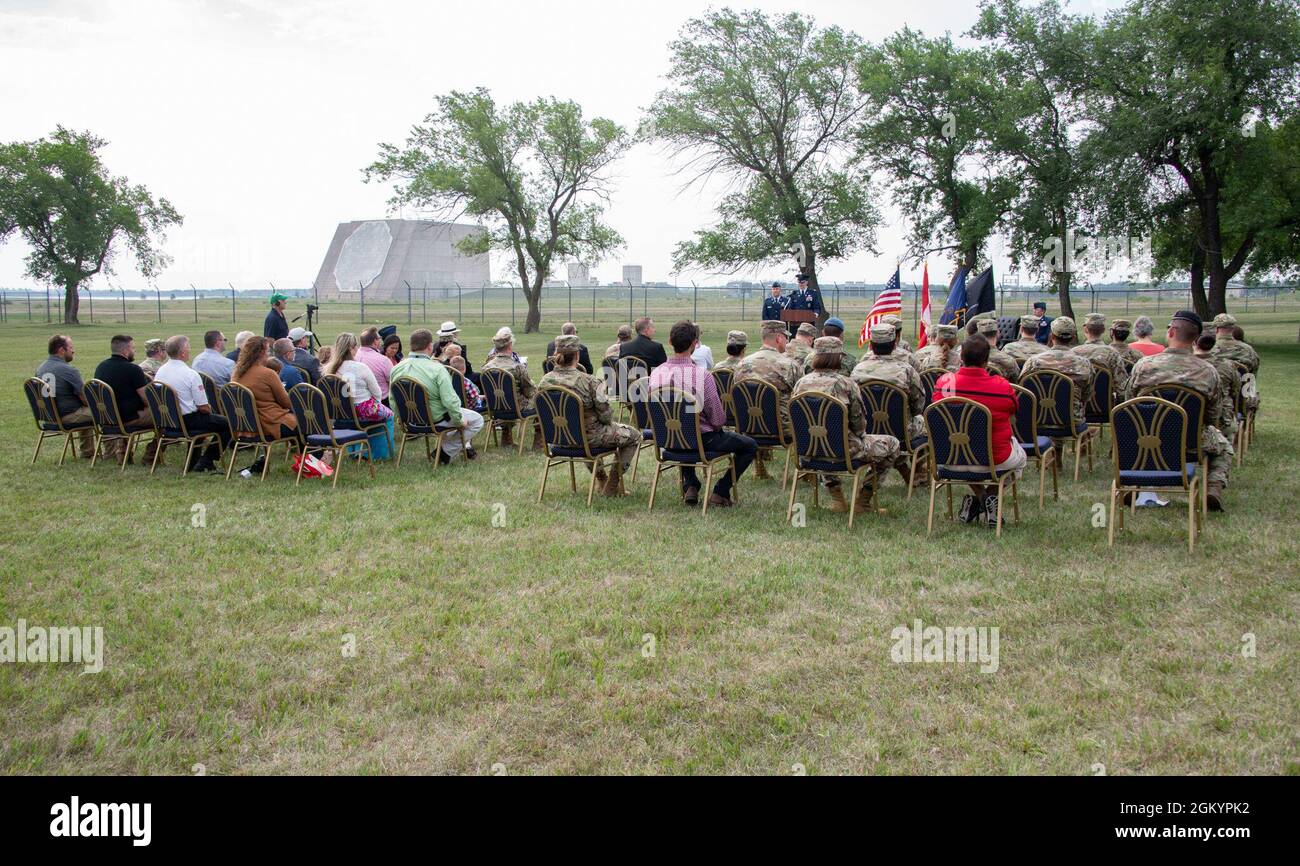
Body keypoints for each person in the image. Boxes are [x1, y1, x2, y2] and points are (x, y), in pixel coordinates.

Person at [1125, 310, 1234, 511]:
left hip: (1148, 441)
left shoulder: (1143, 366)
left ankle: (1135, 485)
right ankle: (1213, 488)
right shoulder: (1209, 372)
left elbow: (1128, 406)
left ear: (1172, 332)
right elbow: (1212, 417)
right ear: (1196, 338)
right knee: (1224, 446)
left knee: (1132, 429)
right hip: (1191, 444)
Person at [646, 321, 758, 507]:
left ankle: (691, 484)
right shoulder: (702, 375)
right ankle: (721, 490)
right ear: (694, 344)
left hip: (667, 440)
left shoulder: (657, 373)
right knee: (749, 445)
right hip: (702, 440)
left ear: (670, 341)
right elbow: (717, 419)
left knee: (683, 429)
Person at [793, 336, 901, 513]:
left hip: (808, 452)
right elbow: (858, 426)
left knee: (825, 441)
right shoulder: (847, 384)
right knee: (893, 444)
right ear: (839, 358)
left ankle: (837, 499)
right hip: (845, 452)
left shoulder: (800, 384)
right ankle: (863, 501)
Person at [932, 335, 1027, 525]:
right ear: (986, 361)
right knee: (1020, 458)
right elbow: (1013, 410)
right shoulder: (1001, 386)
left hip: (950, 458)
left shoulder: (944, 384)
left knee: (968, 448)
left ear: (961, 359)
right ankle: (988, 498)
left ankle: (980, 499)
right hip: (994, 460)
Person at [539, 334, 645, 497]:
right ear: (577, 355)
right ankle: (612, 484)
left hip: (558, 439)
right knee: (635, 436)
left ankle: (601, 478)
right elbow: (606, 417)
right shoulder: (590, 381)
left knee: (586, 431)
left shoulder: (544, 382)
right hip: (589, 439)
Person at [850, 323, 929, 488]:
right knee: (927, 424)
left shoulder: (858, 370)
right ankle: (920, 471)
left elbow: (854, 405)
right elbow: (918, 405)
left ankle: (908, 472)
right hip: (902, 430)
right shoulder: (906, 371)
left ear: (870, 345)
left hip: (868, 429)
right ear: (894, 345)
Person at [390, 329, 484, 464]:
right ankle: (445, 452)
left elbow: (393, 400)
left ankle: (444, 449)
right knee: (477, 420)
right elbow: (450, 401)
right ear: (430, 346)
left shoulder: (396, 369)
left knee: (454, 419)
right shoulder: (437, 369)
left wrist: (402, 418)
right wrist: (459, 420)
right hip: (435, 419)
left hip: (410, 421)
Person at [153, 335, 232, 473]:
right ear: (183, 352)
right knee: (228, 423)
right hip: (187, 421)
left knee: (205, 419)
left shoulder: (161, 371)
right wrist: (210, 410)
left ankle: (195, 461)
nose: (190, 350)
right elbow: (203, 407)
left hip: (167, 421)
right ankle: (207, 459)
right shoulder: (190, 374)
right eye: (188, 347)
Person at [735, 320, 803, 480]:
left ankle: (760, 467)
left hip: (749, 427)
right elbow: (801, 398)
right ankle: (806, 472)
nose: (787, 342)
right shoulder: (790, 365)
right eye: (786, 338)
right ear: (779, 338)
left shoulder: (742, 364)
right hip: (783, 428)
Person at [230, 336, 301, 475]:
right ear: (261, 352)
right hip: (270, 424)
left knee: (299, 423)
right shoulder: (268, 373)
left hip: (245, 426)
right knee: (307, 424)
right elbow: (286, 402)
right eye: (268, 350)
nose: (269, 354)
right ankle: (310, 464)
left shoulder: (236, 374)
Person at [324, 332, 396, 460]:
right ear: (352, 349)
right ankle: (379, 454)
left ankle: (355, 452)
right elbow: (377, 392)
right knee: (388, 415)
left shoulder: (329, 370)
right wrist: (376, 404)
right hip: (362, 412)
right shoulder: (361, 367)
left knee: (374, 415)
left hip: (339, 416)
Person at [1021, 316, 1095, 434]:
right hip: (1071, 421)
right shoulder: (1084, 364)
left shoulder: (1033, 362)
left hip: (1036, 419)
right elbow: (1086, 395)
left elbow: (1022, 391)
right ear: (1073, 338)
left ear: (1051, 336)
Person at [92, 334, 154, 463]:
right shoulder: (133, 369)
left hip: (107, 417)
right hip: (127, 419)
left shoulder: (101, 367)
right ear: (125, 350)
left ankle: (123, 453)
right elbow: (146, 398)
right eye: (133, 348)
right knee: (166, 416)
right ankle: (151, 456)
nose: (134, 351)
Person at [35, 334, 95, 458]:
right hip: (66, 417)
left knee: (86, 412)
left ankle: (88, 451)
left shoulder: (40, 368)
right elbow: (85, 398)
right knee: (106, 413)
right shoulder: (69, 370)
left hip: (48, 416)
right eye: (71, 347)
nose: (73, 350)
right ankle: (111, 453)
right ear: (62, 350)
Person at [483, 326, 541, 449]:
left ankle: (506, 437)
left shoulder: (486, 368)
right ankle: (539, 440)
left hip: (494, 408)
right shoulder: (517, 367)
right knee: (541, 401)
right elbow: (529, 390)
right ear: (510, 346)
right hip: (516, 408)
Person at [1195, 333, 1242, 447]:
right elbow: (1235, 391)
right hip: (1221, 421)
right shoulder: (1227, 365)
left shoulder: (1182, 366)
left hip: (1187, 420)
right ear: (1213, 345)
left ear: (1194, 344)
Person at [1072, 313, 1125, 384]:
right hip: (1105, 394)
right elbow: (1121, 382)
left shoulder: (1074, 353)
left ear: (1085, 329)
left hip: (1080, 394)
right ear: (1103, 330)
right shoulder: (1112, 353)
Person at [974, 317, 1019, 382]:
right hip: (1000, 391)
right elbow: (1016, 382)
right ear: (998, 333)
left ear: (978, 335)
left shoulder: (969, 358)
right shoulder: (1009, 360)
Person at [357, 327, 393, 403]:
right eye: (380, 338)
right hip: (381, 402)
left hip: (357, 401)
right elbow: (393, 382)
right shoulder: (384, 360)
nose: (381, 340)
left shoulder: (354, 356)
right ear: (375, 341)